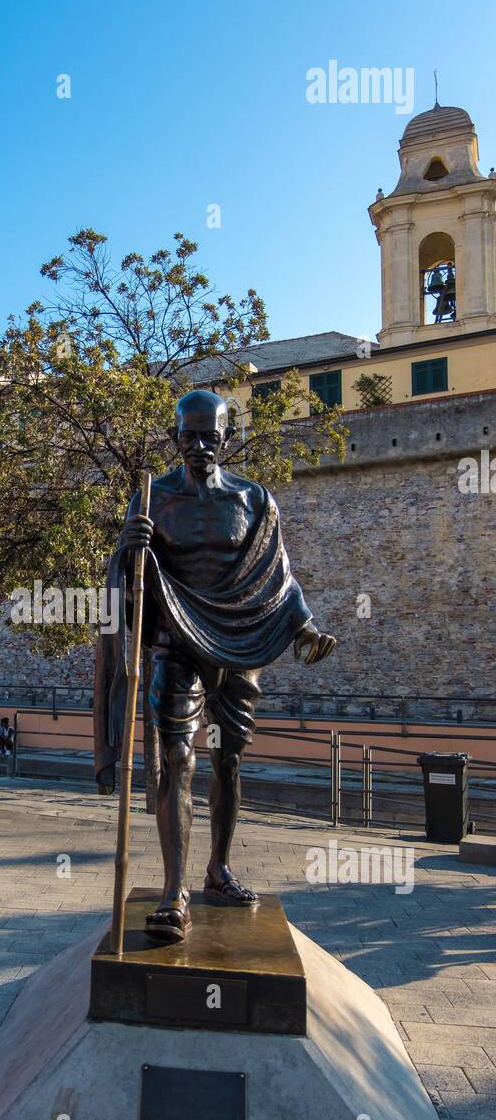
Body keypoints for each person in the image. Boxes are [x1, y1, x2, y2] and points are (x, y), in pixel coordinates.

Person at [94, 389, 336, 943]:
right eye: (189, 434)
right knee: (177, 758)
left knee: (226, 760)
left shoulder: (255, 500)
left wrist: (304, 629)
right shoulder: (151, 499)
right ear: (175, 437)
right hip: (176, 644)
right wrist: (126, 551)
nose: (200, 444)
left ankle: (218, 870)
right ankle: (175, 891)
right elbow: (131, 589)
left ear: (228, 437)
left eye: (211, 434)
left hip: (240, 646)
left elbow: (275, 575)